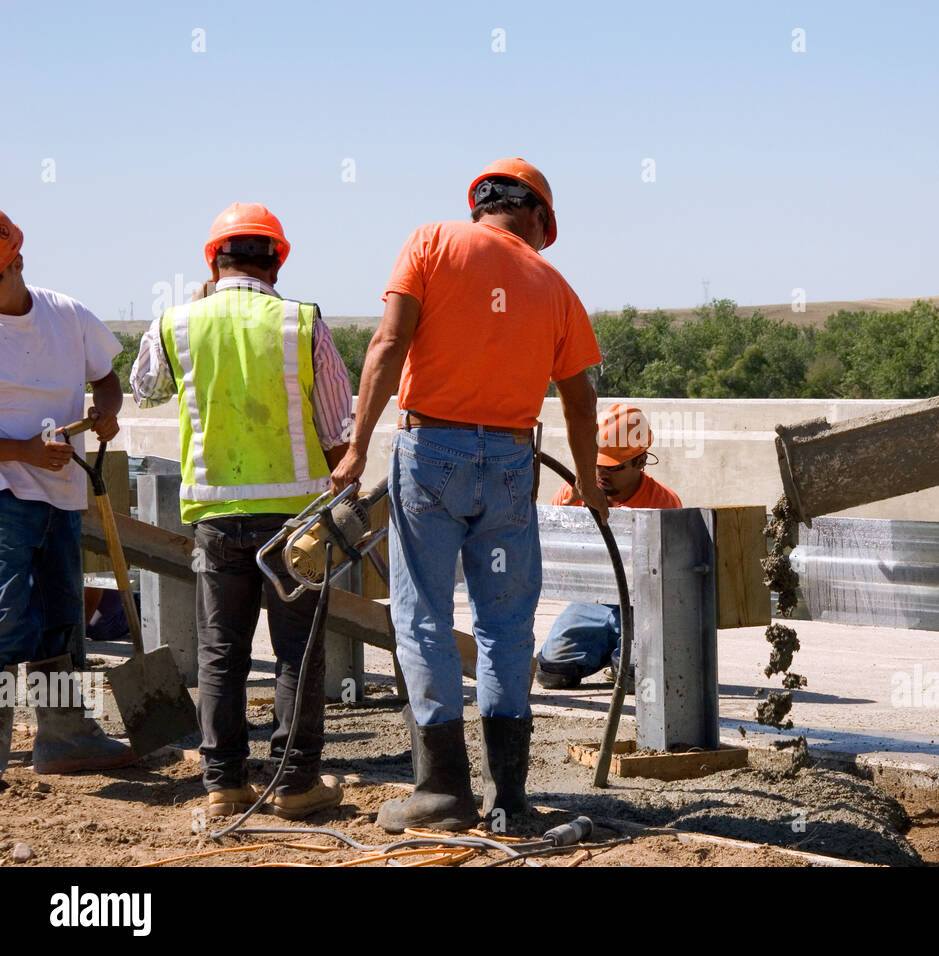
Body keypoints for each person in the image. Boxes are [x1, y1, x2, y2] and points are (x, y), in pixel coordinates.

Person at [331, 158, 607, 834]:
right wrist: (592, 483)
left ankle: (442, 792)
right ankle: (509, 800)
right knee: (506, 626)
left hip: (432, 456)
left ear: (482, 204)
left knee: (422, 613)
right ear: (538, 217)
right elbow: (579, 397)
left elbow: (388, 343)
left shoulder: (431, 242)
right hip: (512, 463)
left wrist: (357, 446)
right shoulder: (556, 286)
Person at [130, 203, 353, 818]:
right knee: (296, 651)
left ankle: (225, 782)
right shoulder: (300, 322)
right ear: (277, 260)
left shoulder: (176, 323)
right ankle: (294, 782)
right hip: (295, 523)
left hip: (216, 520)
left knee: (221, 651)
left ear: (213, 261)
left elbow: (144, 389)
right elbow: (340, 430)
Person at [0, 209, 136, 781]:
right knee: (6, 615)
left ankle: (65, 737)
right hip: (6, 491)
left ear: (16, 264)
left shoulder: (65, 315)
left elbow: (106, 378)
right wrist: (24, 451)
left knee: (62, 616)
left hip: (61, 494)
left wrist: (105, 411)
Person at [536, 404, 681, 689]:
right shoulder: (574, 491)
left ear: (640, 462)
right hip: (593, 600)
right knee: (552, 671)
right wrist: (570, 504)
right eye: (596, 463)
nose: (601, 473)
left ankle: (625, 656)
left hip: (644, 604)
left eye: (613, 467)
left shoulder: (663, 504)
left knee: (635, 678)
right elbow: (554, 551)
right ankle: (611, 651)